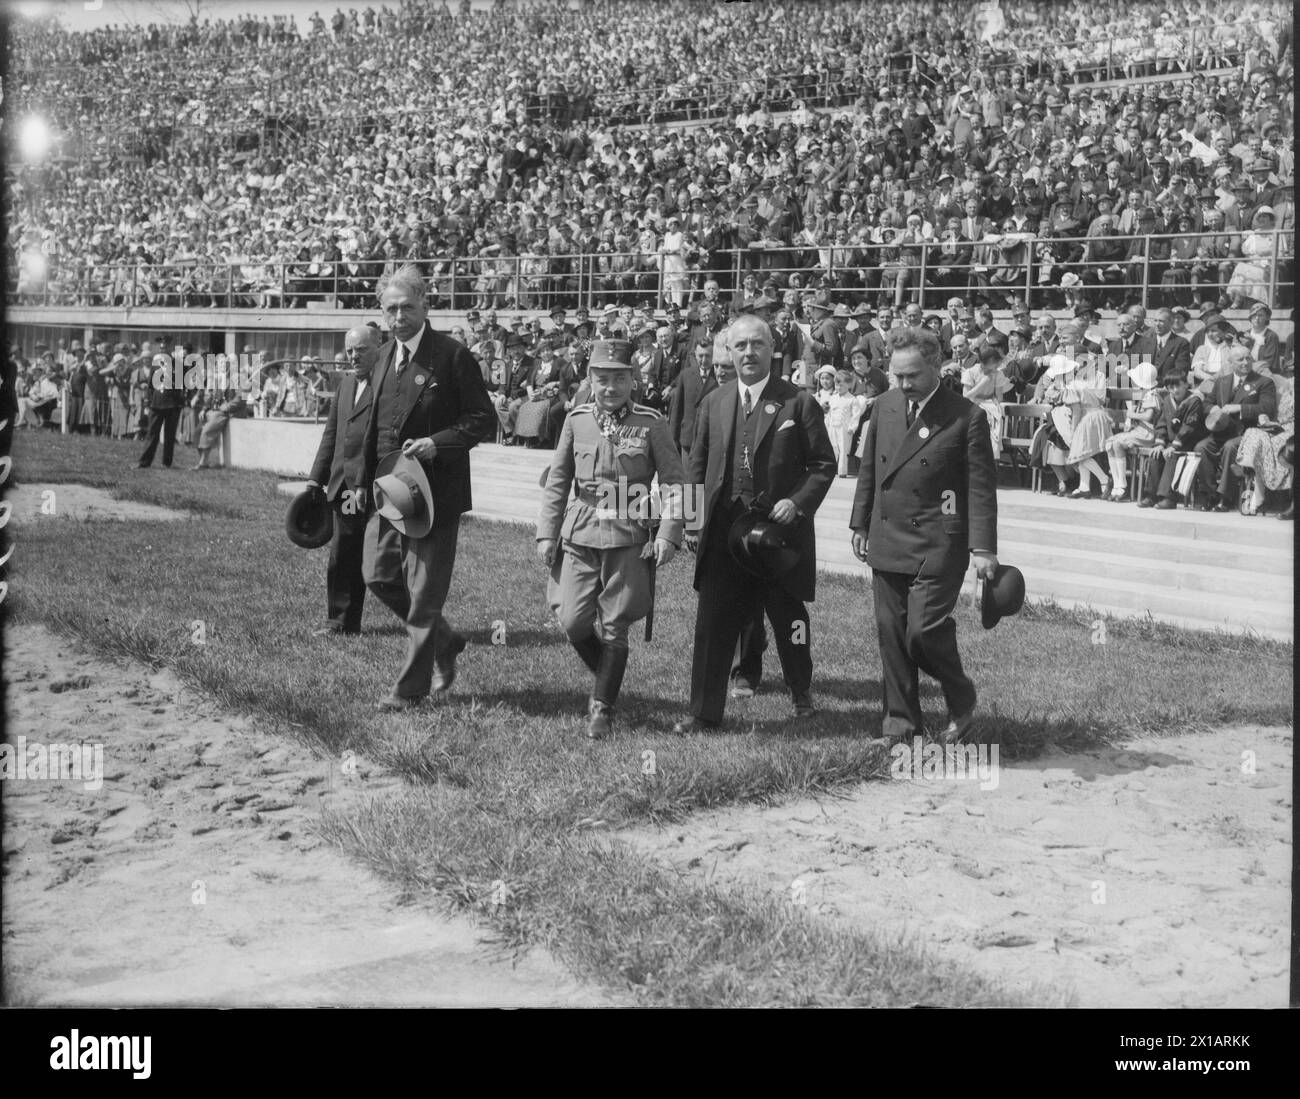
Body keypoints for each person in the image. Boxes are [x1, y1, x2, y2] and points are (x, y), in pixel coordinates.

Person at [675, 315, 836, 732]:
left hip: (778, 536)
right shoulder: (714, 401)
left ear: (772, 350)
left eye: (758, 345)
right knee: (712, 624)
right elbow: (695, 468)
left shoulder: (797, 402)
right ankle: (703, 712)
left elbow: (823, 465)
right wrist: (693, 523)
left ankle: (801, 693)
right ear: (729, 352)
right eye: (740, 345)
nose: (749, 352)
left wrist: (797, 504)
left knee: (790, 620)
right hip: (724, 534)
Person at [850, 325, 998, 746]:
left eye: (912, 376)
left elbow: (980, 489)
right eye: (896, 375)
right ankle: (900, 727)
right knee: (892, 637)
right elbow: (871, 472)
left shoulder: (967, 417)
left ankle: (961, 694)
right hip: (887, 538)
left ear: (935, 366)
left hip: (938, 542)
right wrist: (860, 522)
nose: (902, 384)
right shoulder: (884, 406)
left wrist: (984, 548)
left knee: (923, 632)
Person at [360, 265, 497, 711]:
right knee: (378, 576)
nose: (398, 316)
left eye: (407, 307)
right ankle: (445, 641)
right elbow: (375, 426)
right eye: (390, 309)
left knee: (423, 593)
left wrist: (439, 444)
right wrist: (361, 485)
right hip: (389, 491)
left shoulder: (453, 356)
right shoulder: (382, 356)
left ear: (425, 306)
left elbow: (482, 419)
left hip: (437, 494)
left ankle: (409, 691)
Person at [536, 339, 685, 739]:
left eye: (619, 379)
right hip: (580, 529)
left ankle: (602, 706)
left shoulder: (651, 422)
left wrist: (670, 534)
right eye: (602, 379)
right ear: (591, 379)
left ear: (633, 380)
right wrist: (545, 533)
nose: (610, 388)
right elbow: (557, 482)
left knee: (617, 623)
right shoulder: (577, 420)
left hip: (628, 532)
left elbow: (674, 481)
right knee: (571, 619)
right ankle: (609, 672)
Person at [306, 325, 382, 636]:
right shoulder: (347, 384)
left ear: (379, 347)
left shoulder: (386, 386)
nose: (353, 356)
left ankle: (343, 622)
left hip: (367, 485)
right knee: (345, 551)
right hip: (341, 483)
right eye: (350, 350)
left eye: (361, 350)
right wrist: (315, 478)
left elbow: (377, 441)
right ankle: (342, 621)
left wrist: (364, 482)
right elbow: (331, 434)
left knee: (358, 554)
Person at [137, 350, 185, 468]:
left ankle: (166, 463)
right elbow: (150, 387)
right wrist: (149, 402)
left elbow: (181, 387)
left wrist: (179, 403)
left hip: (172, 405)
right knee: (152, 433)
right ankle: (144, 462)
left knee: (169, 435)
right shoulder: (155, 366)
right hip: (156, 404)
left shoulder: (177, 366)